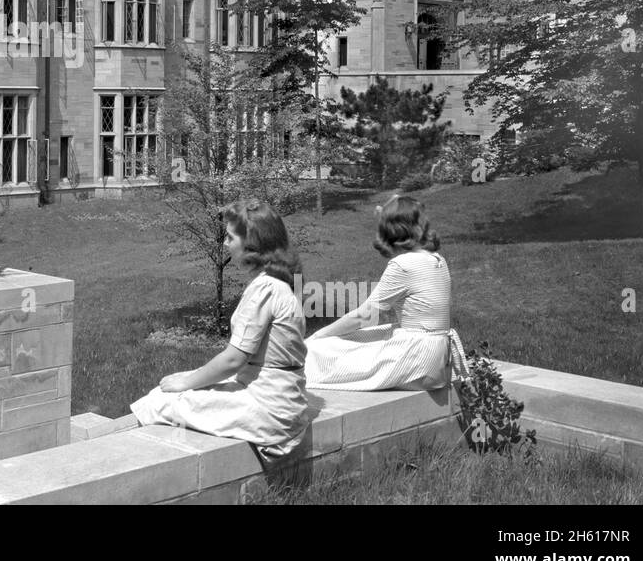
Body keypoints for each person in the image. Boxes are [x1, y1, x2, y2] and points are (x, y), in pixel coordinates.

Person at [131, 198, 310, 462]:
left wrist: (186, 383)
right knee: (180, 383)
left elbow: (233, 360)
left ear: (251, 244)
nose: (225, 243)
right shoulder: (283, 282)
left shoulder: (266, 288)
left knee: (160, 400)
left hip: (269, 409)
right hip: (282, 401)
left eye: (230, 237)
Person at [305, 194, 467, 391]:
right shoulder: (437, 260)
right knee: (365, 336)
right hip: (439, 360)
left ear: (391, 230)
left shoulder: (403, 264)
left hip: (419, 363)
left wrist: (317, 335)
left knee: (321, 348)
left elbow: (364, 316)